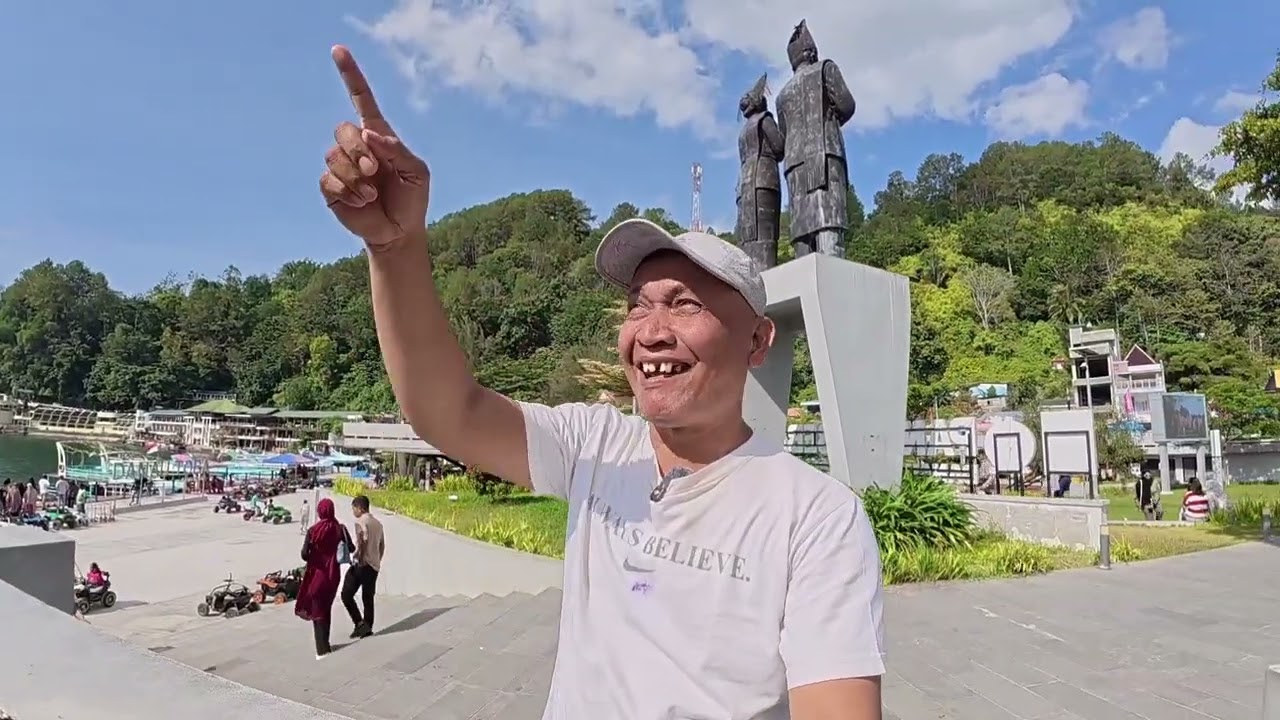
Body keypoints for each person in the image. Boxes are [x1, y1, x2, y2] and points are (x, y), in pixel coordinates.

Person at [318, 46, 885, 717]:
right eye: (637, 305)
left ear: (758, 340)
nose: (650, 329)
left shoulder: (815, 517)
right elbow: (448, 411)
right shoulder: (594, 445)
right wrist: (394, 248)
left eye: (684, 303)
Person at [295, 498, 353, 659]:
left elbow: (304, 555)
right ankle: (325, 644)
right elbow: (352, 548)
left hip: (316, 575)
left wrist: (317, 553)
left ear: (320, 512)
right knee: (326, 608)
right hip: (333, 576)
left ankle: (322, 650)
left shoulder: (313, 531)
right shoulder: (340, 529)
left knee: (317, 611)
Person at [342, 494, 385, 638]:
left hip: (362, 564)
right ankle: (367, 627)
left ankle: (359, 623)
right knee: (368, 598)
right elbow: (382, 545)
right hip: (374, 566)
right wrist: (377, 560)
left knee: (346, 594)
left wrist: (359, 558)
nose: (353, 511)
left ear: (360, 508)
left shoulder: (360, 522)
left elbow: (361, 543)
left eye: (354, 508)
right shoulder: (378, 524)